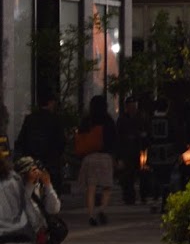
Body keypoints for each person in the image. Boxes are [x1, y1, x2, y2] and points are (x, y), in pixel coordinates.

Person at [74, 94, 117, 226]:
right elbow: (113, 140)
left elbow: (80, 138)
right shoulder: (108, 120)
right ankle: (102, 209)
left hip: (89, 157)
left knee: (91, 187)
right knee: (107, 186)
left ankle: (91, 214)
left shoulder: (87, 121)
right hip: (105, 157)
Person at [15, 92, 68, 190]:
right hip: (51, 164)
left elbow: (21, 141)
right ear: (50, 103)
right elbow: (61, 142)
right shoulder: (55, 120)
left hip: (32, 163)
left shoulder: (30, 119)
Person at [115, 96, 147, 206]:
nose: (132, 108)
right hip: (126, 151)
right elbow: (118, 136)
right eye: (130, 106)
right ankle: (129, 196)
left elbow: (144, 132)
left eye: (134, 105)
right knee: (127, 175)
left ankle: (143, 195)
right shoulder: (122, 119)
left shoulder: (141, 118)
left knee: (142, 173)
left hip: (139, 149)